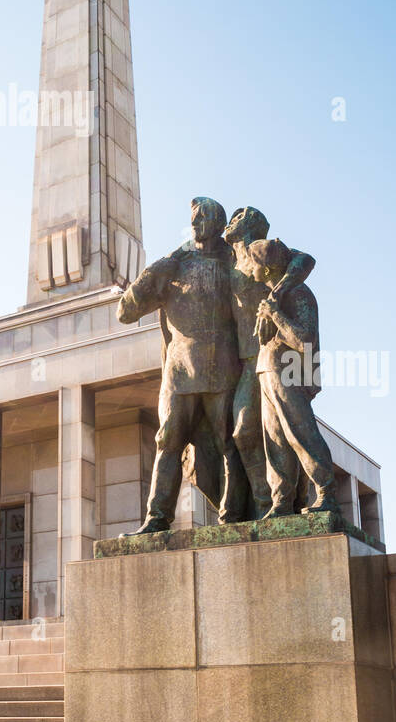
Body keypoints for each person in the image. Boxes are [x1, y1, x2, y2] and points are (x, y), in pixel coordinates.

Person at [117, 196, 242, 528]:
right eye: (194, 218)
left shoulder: (233, 264)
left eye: (204, 218)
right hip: (180, 372)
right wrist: (155, 270)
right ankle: (156, 518)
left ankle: (234, 515)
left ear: (218, 224)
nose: (197, 224)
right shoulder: (174, 266)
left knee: (229, 441)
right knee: (167, 441)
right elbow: (125, 312)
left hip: (223, 369)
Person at [223, 206, 316, 520]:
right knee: (263, 433)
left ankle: (300, 497)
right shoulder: (225, 260)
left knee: (295, 428)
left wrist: (275, 298)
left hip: (280, 356)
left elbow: (306, 260)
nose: (228, 223)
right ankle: (274, 502)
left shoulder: (265, 252)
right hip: (255, 358)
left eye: (236, 218)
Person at [247, 237, 339, 517]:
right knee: (274, 439)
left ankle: (326, 492)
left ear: (267, 266)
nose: (250, 267)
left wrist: (274, 313)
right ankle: (281, 502)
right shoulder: (274, 293)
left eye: (254, 261)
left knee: (301, 432)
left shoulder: (298, 294)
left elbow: (305, 339)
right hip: (267, 370)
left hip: (288, 370)